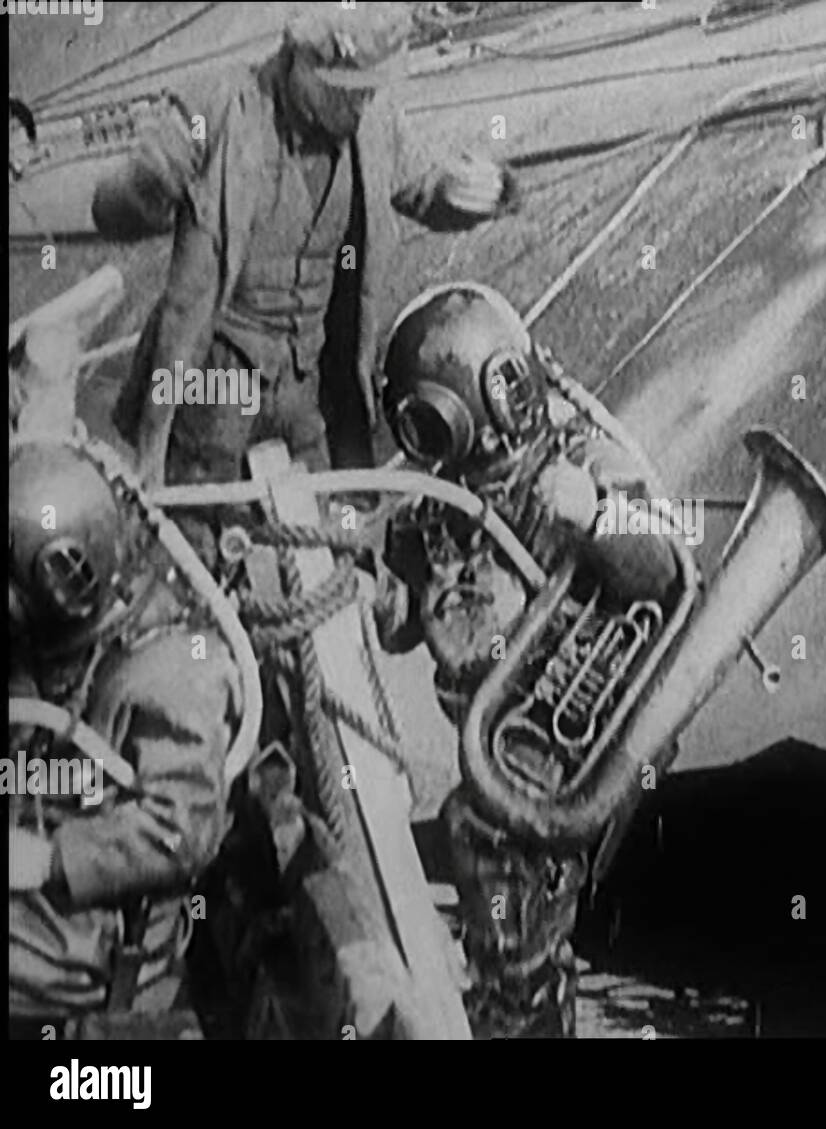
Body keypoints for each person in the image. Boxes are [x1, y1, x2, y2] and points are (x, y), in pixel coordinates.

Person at [374, 281, 679, 1037]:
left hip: (581, 741)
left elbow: (663, 566)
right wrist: (372, 588)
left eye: (434, 423)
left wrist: (593, 513)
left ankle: (520, 1009)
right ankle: (520, 1004)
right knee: (496, 886)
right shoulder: (435, 508)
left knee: (489, 846)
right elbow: (400, 624)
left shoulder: (582, 461)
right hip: (504, 744)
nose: (430, 447)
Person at [95, 2, 520, 505]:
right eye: (351, 93)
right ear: (304, 64)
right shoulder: (218, 108)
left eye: (370, 91)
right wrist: (145, 185)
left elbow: (424, 186)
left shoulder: (372, 122)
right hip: (214, 380)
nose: (363, 106)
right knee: (205, 539)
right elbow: (112, 209)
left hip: (307, 382)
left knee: (330, 533)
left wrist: (485, 193)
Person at [8, 438, 241, 1039]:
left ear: (64, 575)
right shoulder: (77, 624)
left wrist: (50, 861)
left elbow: (183, 829)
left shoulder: (172, 668)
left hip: (79, 945)